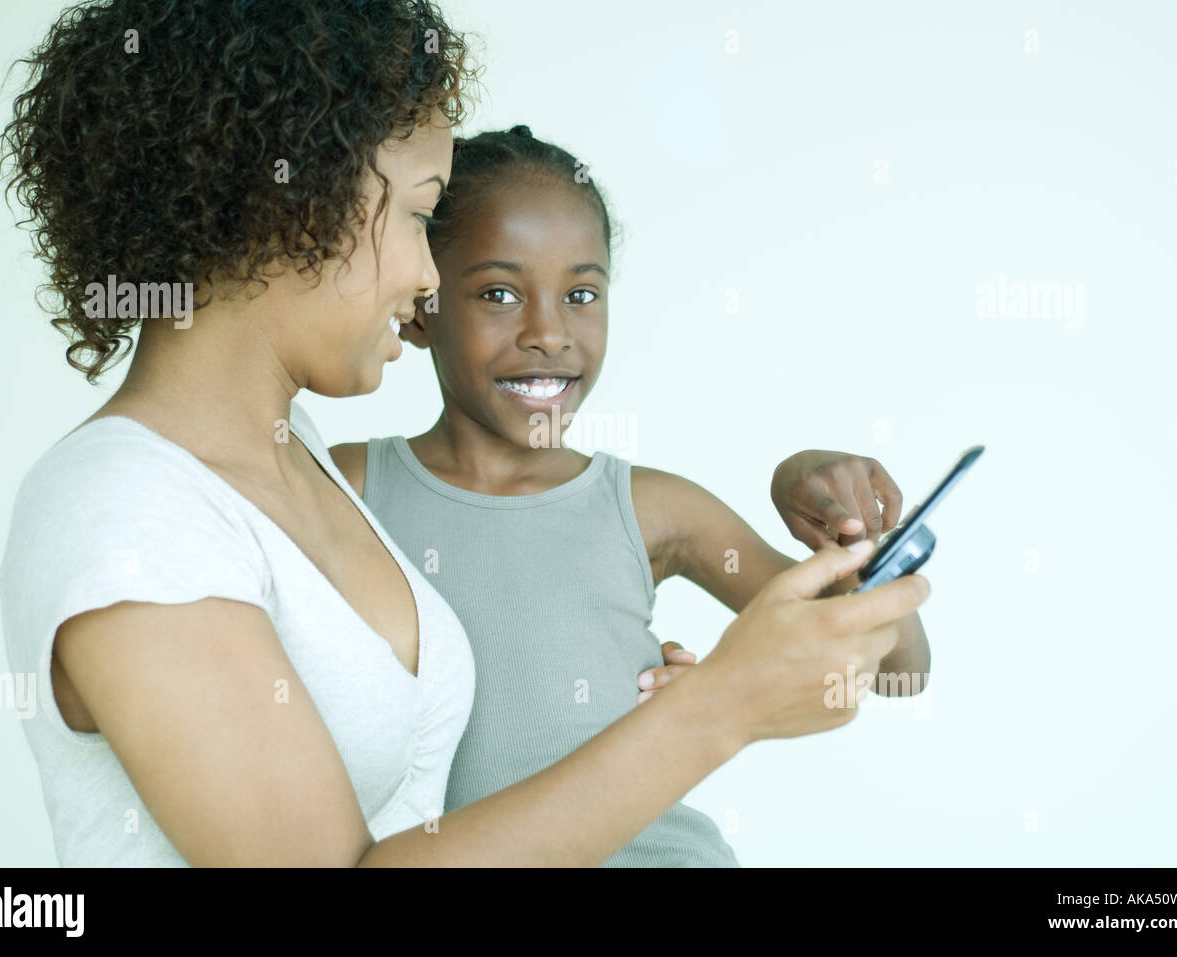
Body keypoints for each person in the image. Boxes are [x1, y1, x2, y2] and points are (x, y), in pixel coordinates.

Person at [0, 0, 929, 866]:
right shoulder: (123, 512)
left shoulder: (296, 458)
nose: (423, 274)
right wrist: (719, 710)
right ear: (292, 204)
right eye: (417, 216)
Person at [328, 124, 929, 866]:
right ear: (422, 307)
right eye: (499, 293)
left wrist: (849, 537)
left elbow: (898, 669)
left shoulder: (648, 507)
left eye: (581, 293)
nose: (549, 332)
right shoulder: (348, 487)